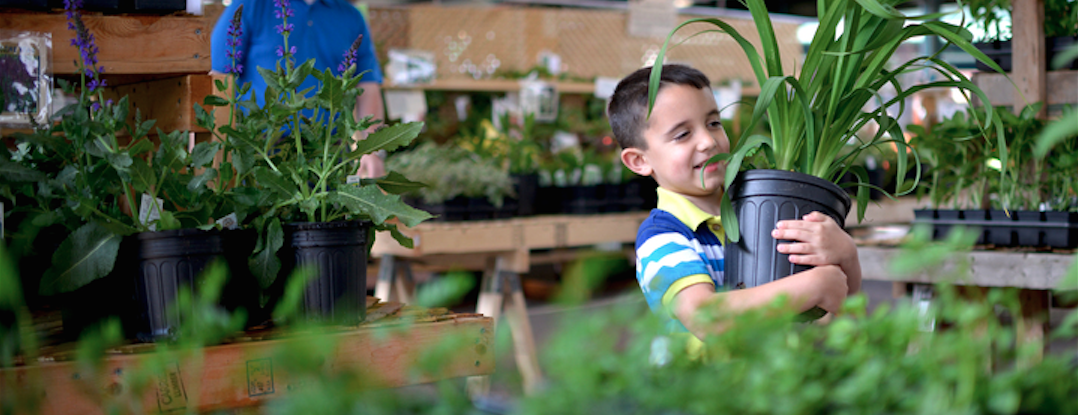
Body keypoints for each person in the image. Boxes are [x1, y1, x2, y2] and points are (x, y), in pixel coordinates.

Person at [608, 64, 861, 347]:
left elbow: (840, 304)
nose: (707, 141)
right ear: (639, 161)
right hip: (705, 389)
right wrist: (810, 286)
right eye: (682, 134)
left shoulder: (762, 209)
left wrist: (846, 254)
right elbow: (706, 319)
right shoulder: (662, 236)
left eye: (714, 123)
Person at [210, 0, 385, 177]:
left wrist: (372, 150)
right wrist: (222, 146)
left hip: (328, 155)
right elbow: (218, 76)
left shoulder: (350, 16)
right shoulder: (251, 5)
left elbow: (368, 86)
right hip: (262, 151)